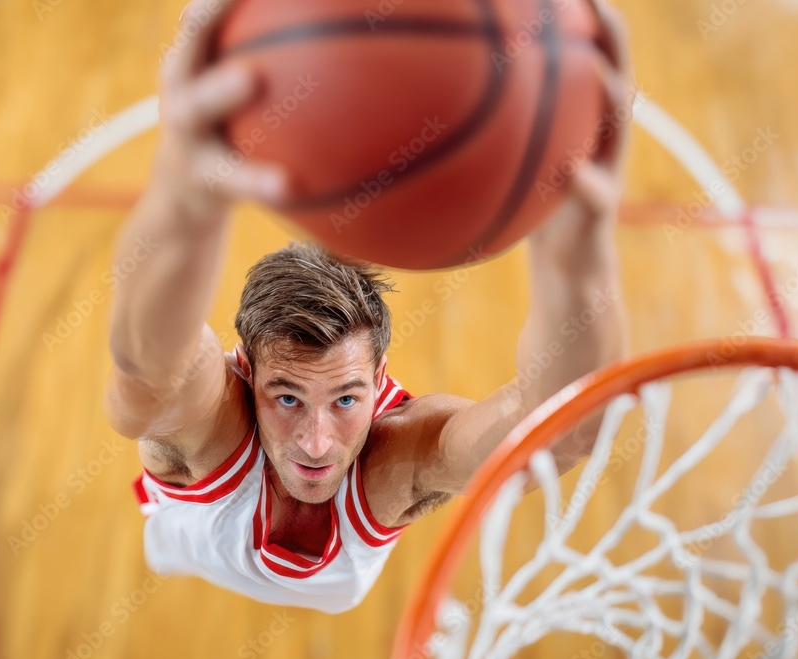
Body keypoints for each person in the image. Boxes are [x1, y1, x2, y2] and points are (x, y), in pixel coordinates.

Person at [104, 0, 630, 613]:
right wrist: (183, 200)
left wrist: (578, 249)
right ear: (245, 370)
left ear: (381, 383)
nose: (318, 443)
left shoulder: (399, 458)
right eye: (288, 398)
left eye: (347, 399)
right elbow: (147, 366)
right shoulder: (210, 425)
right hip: (180, 547)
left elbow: (565, 430)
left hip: (320, 584)